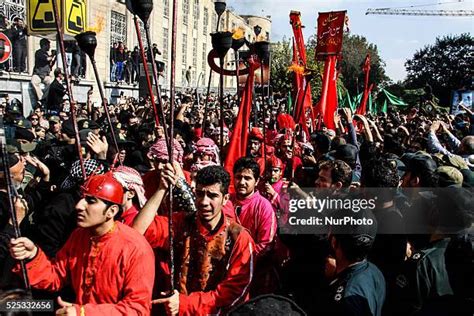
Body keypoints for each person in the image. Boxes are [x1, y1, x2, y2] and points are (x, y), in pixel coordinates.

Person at [9, 172, 155, 314]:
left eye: (91, 201)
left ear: (111, 211)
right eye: (82, 198)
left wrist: (84, 312)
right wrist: (33, 255)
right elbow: (57, 276)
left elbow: (137, 309)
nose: (79, 206)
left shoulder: (136, 248)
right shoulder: (79, 235)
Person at [133, 165, 255, 315]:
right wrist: (161, 189)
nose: (204, 202)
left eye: (212, 196)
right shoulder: (180, 223)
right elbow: (137, 234)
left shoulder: (240, 238)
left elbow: (235, 292)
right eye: (199, 194)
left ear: (225, 199)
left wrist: (185, 304)